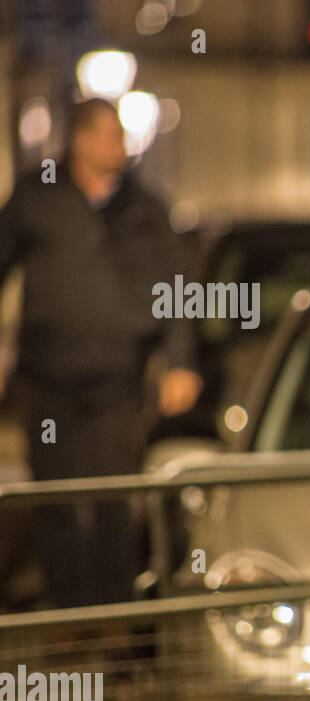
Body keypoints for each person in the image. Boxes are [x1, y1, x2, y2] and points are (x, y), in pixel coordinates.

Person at [0, 98, 202, 607]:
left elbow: (178, 287)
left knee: (114, 501)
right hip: (47, 381)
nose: (121, 146)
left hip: (118, 381)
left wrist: (180, 361)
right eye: (111, 135)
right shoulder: (37, 196)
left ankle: (113, 619)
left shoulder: (143, 208)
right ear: (81, 140)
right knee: (57, 503)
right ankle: (68, 613)